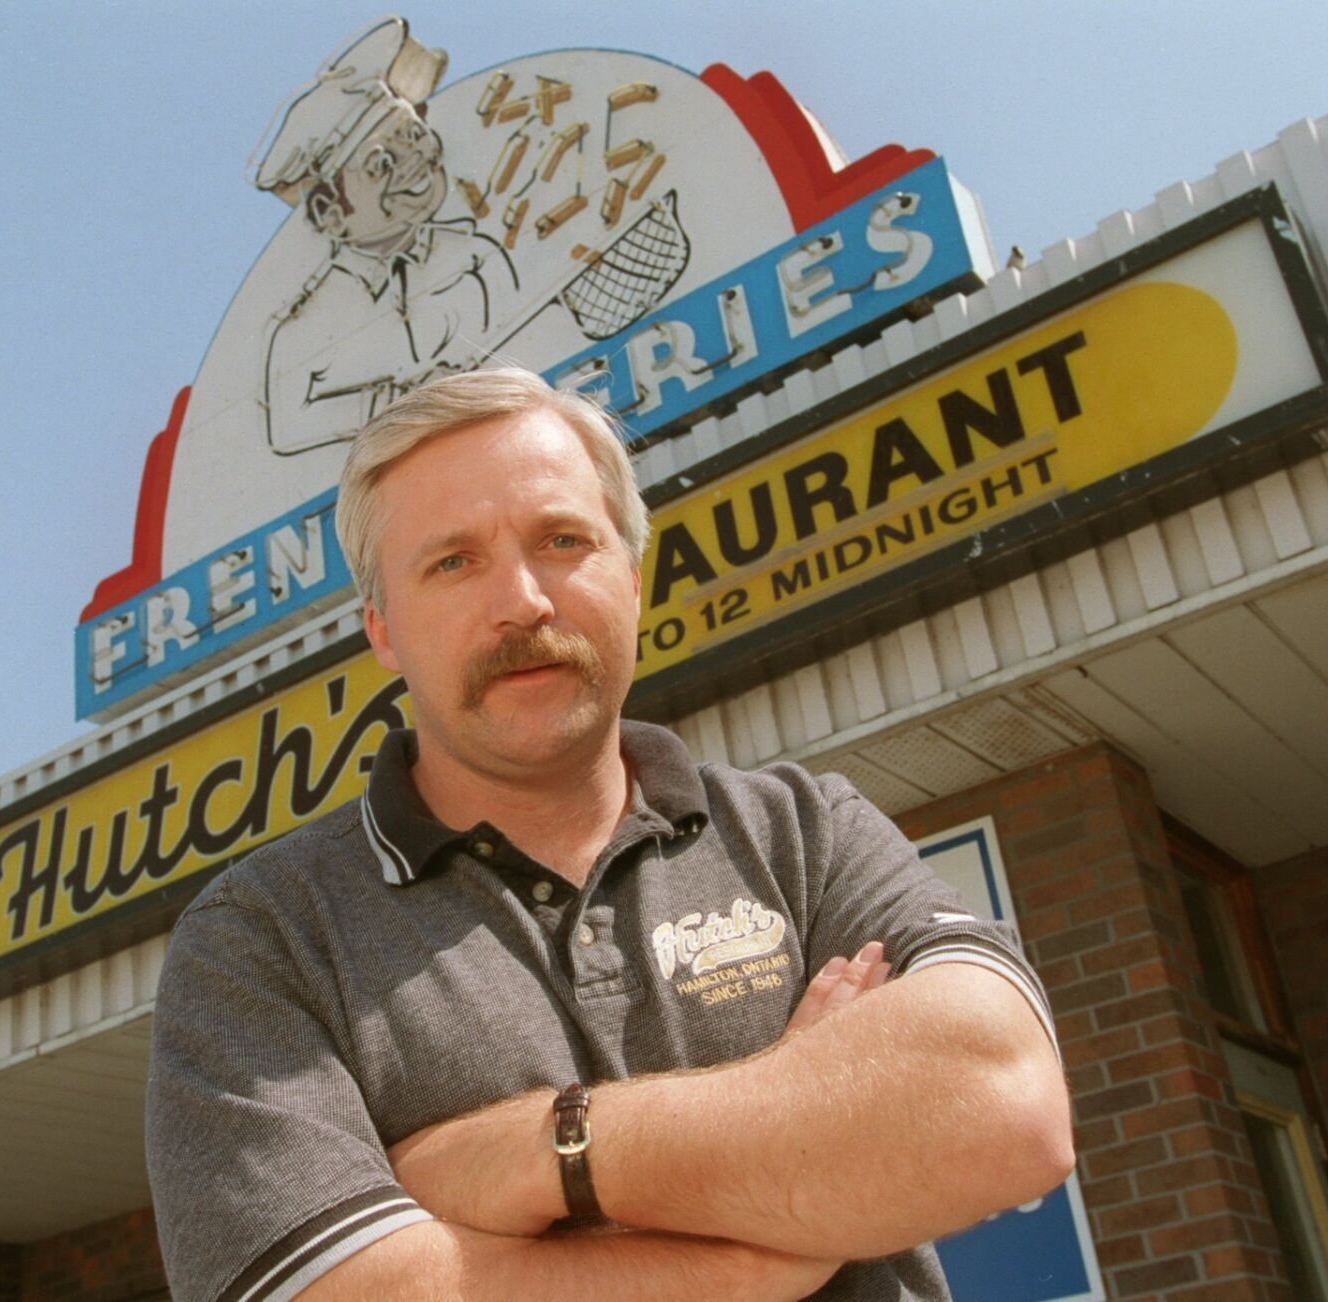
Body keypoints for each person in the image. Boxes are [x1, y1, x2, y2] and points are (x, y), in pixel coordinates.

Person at [146, 367, 1075, 1301]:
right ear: (383, 628)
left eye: (561, 540)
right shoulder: (261, 939)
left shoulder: (803, 833)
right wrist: (768, 1234)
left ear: (631, 580)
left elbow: (1005, 1110)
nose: (522, 601)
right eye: (453, 562)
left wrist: (544, 1149)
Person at [255, 19, 519, 459]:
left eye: (414, 135)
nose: (414, 160)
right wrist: (395, 401)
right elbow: (285, 426)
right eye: (380, 163)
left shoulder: (476, 254)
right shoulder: (301, 329)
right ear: (330, 213)